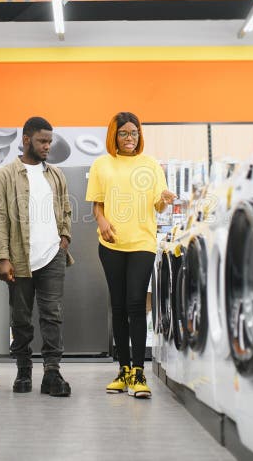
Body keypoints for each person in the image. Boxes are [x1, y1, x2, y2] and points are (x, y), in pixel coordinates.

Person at [86, 112, 176, 399]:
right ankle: (123, 370)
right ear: (114, 135)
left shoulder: (150, 166)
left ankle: (139, 372)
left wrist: (164, 199)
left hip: (142, 242)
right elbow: (97, 206)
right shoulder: (102, 164)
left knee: (136, 304)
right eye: (124, 133)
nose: (129, 138)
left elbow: (158, 206)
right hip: (111, 243)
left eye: (134, 133)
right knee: (119, 307)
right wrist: (102, 222)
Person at [0, 116, 73, 397]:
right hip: (19, 257)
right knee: (21, 318)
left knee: (53, 316)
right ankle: (23, 370)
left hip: (52, 256)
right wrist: (2, 257)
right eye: (42, 141)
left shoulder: (56, 175)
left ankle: (52, 372)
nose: (47, 146)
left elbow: (65, 210)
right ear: (26, 140)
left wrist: (64, 239)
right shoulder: (4, 175)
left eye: (50, 141)